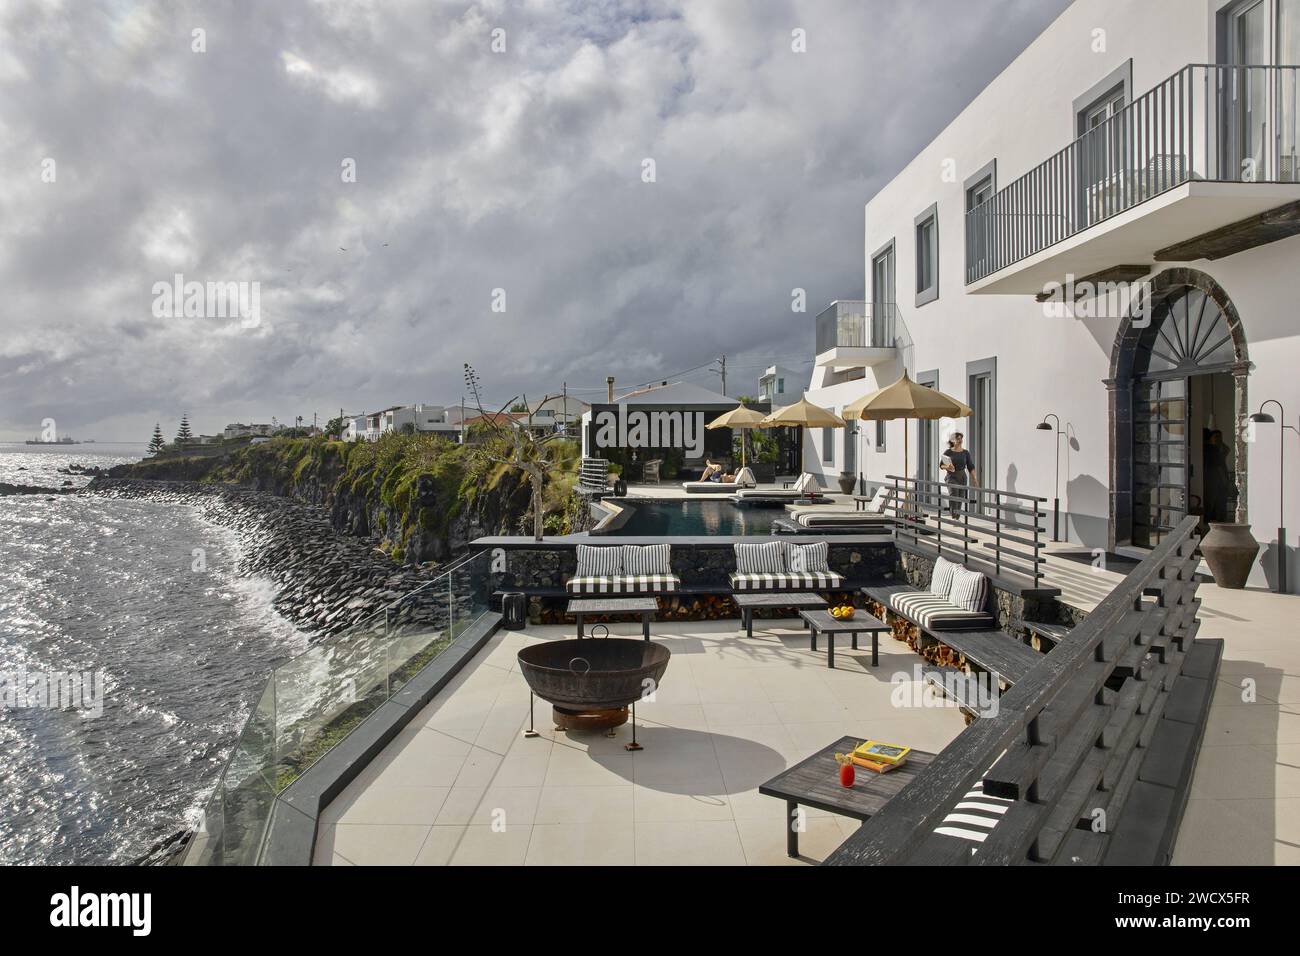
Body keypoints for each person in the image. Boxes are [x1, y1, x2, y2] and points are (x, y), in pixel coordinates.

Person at [940, 432, 978, 518]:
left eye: (961, 438)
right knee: (954, 494)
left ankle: (957, 516)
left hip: (962, 476)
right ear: (953, 440)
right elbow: (941, 465)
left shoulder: (965, 452)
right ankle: (953, 515)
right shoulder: (948, 452)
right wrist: (947, 467)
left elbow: (970, 466)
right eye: (958, 439)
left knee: (961, 497)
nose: (960, 440)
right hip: (951, 476)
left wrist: (974, 478)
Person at [1203, 429, 1234, 524]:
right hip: (1213, 479)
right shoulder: (1211, 449)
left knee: (1218, 501)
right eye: (1216, 437)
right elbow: (1218, 466)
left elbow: (1227, 450)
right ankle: (1209, 520)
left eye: (1220, 437)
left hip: (1216, 479)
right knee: (1211, 501)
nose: (1218, 439)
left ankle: (1216, 519)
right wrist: (1224, 480)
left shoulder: (1217, 449)